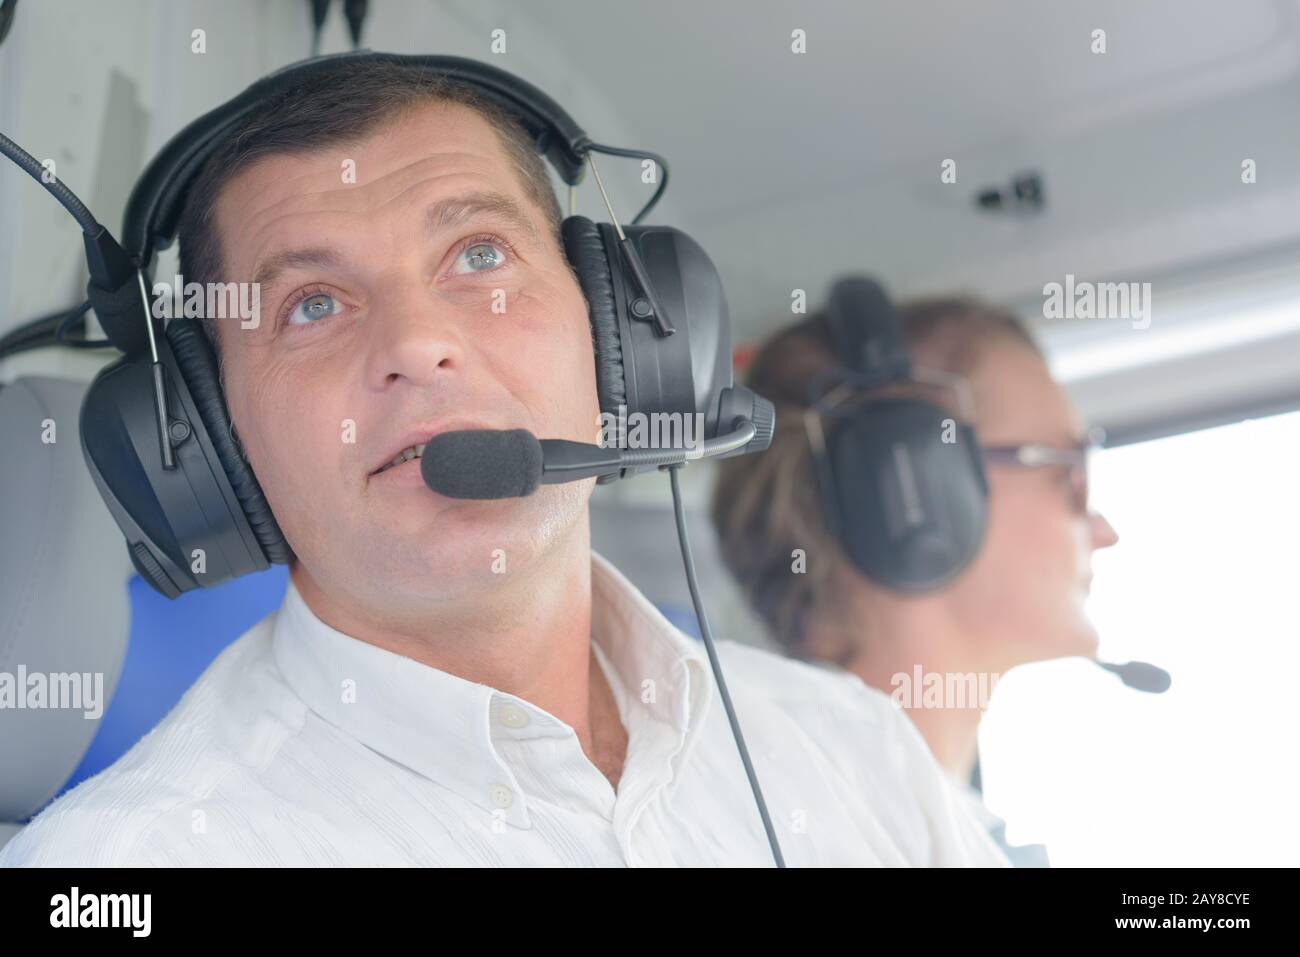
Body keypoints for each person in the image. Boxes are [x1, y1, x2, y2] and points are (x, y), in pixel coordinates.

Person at [0, 59, 1005, 867]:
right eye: (311, 304)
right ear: (209, 446)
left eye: (477, 256)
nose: (415, 342)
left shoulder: (853, 749)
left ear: (621, 338)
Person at [711, 293, 1120, 865]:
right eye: (1064, 468)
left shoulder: (946, 833)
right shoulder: (778, 826)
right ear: (913, 491)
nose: (1104, 530)